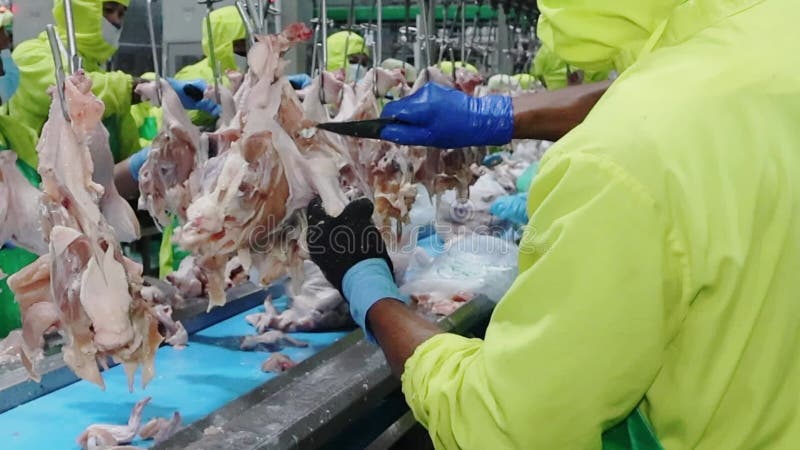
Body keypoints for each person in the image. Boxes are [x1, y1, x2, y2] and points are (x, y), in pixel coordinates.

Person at [306, 0, 800, 448]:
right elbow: (688, 83)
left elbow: (508, 423)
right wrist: (497, 114)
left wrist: (371, 292)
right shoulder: (774, 33)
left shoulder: (623, 161)